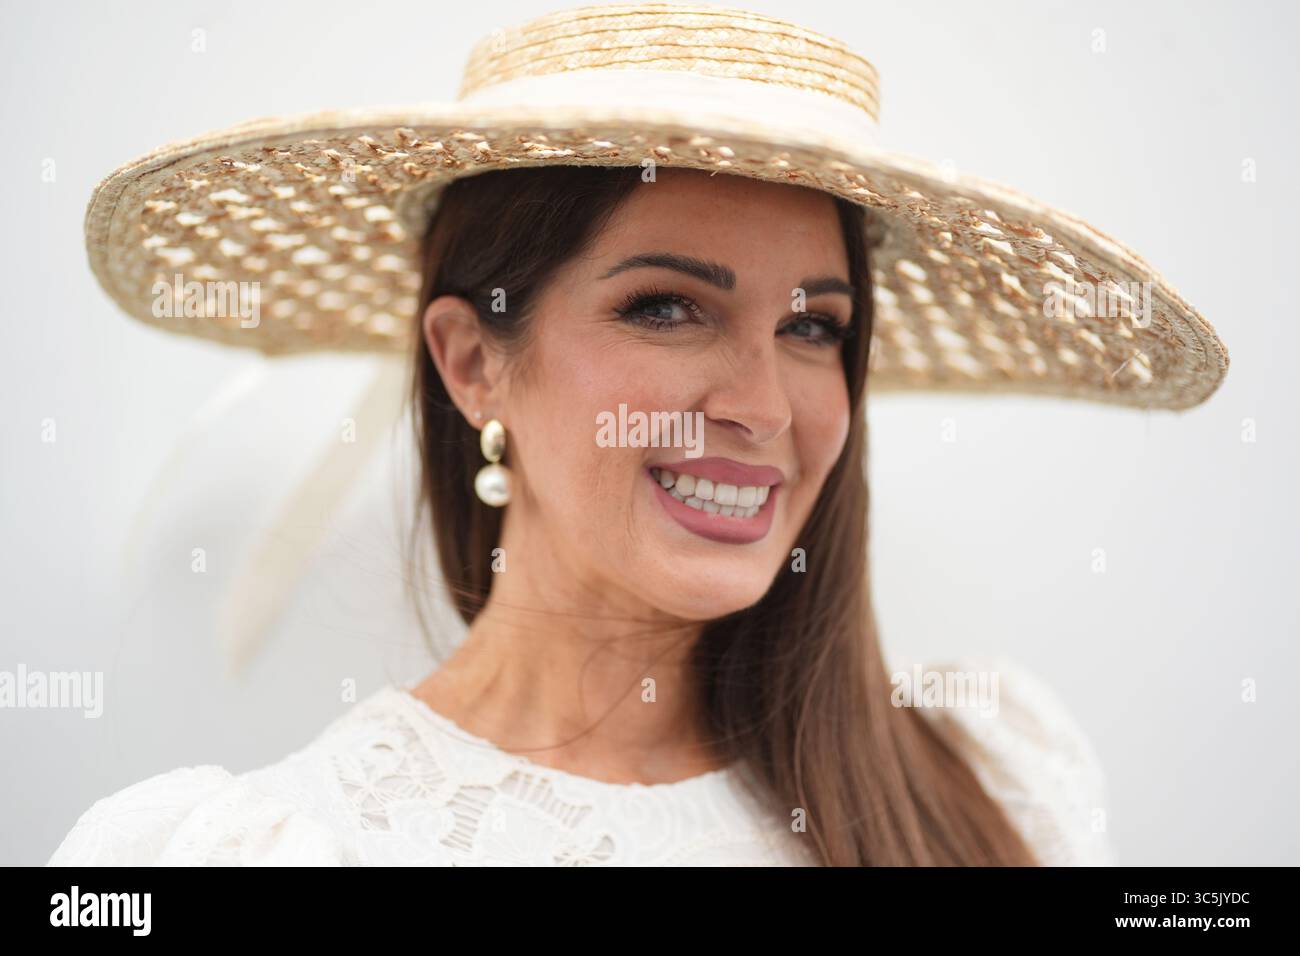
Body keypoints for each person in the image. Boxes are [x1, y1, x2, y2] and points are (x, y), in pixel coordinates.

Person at [49, 1, 1227, 866]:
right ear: (471, 361)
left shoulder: (982, 785)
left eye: (814, 325)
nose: (765, 406)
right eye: (666, 306)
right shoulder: (253, 851)